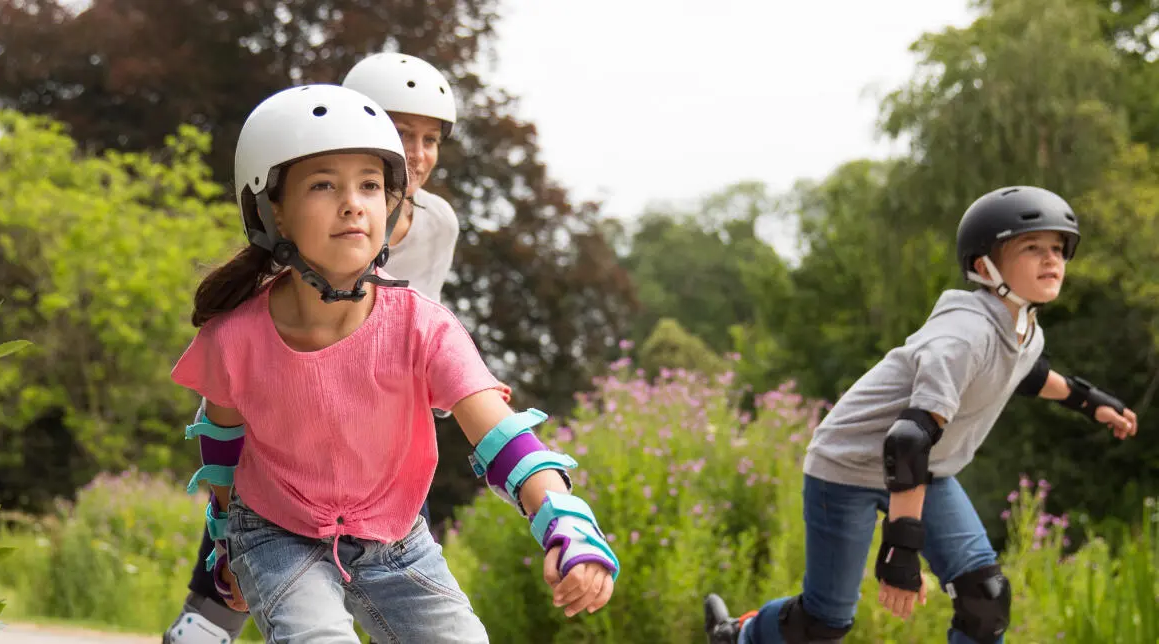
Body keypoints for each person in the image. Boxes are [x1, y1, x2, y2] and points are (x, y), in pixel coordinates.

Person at [169, 83, 618, 644]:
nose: (353, 202)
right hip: (276, 536)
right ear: (272, 212)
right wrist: (223, 541)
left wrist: (563, 518)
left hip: (397, 538)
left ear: (391, 204)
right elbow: (223, 455)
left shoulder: (423, 328)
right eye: (323, 184)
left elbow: (502, 437)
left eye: (371, 185)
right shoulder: (234, 339)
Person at [703, 186, 1138, 644]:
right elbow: (907, 440)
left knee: (984, 597)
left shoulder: (1021, 328)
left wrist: (1090, 401)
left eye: (1057, 248)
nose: (1051, 260)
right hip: (849, 467)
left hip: (920, 471)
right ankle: (739, 637)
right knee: (825, 622)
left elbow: (1026, 372)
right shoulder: (963, 336)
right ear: (982, 266)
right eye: (1031, 248)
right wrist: (901, 548)